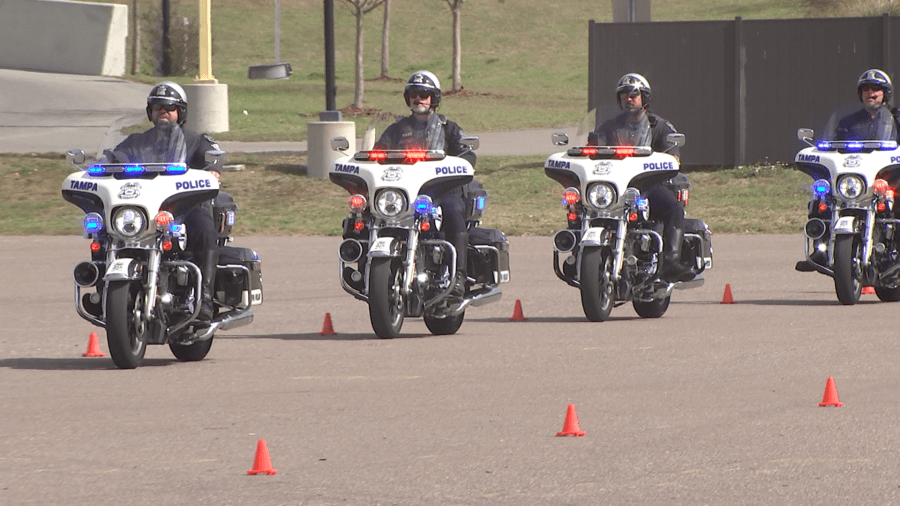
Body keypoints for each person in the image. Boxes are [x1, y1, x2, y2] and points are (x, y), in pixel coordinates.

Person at [110, 81, 221, 320]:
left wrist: (212, 170)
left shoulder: (196, 141)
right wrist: (98, 167)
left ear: (180, 113)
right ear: (150, 111)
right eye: (157, 106)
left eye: (169, 107)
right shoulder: (136, 141)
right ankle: (104, 286)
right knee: (102, 230)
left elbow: (212, 158)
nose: (163, 111)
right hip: (145, 209)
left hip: (184, 206)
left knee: (204, 227)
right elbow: (113, 158)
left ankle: (206, 297)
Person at [374, 70, 475, 296]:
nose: (417, 98)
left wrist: (460, 163)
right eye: (412, 94)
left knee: (453, 211)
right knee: (368, 215)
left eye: (423, 94)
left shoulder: (449, 128)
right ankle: (369, 268)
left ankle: (458, 276)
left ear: (434, 99)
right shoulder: (396, 129)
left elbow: (468, 155)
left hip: (442, 191)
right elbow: (377, 153)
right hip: (406, 193)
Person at [588, 72, 693, 282]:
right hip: (615, 186)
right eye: (624, 95)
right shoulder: (609, 126)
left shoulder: (660, 126)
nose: (628, 99)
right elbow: (592, 150)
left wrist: (662, 162)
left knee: (674, 208)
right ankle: (579, 250)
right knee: (581, 206)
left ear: (644, 98)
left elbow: (674, 158)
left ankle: (670, 261)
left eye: (633, 94)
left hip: (648, 185)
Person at [829, 69, 898, 141]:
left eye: (875, 88)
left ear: (885, 93)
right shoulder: (847, 122)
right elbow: (836, 146)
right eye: (866, 89)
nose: (870, 92)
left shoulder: (897, 120)